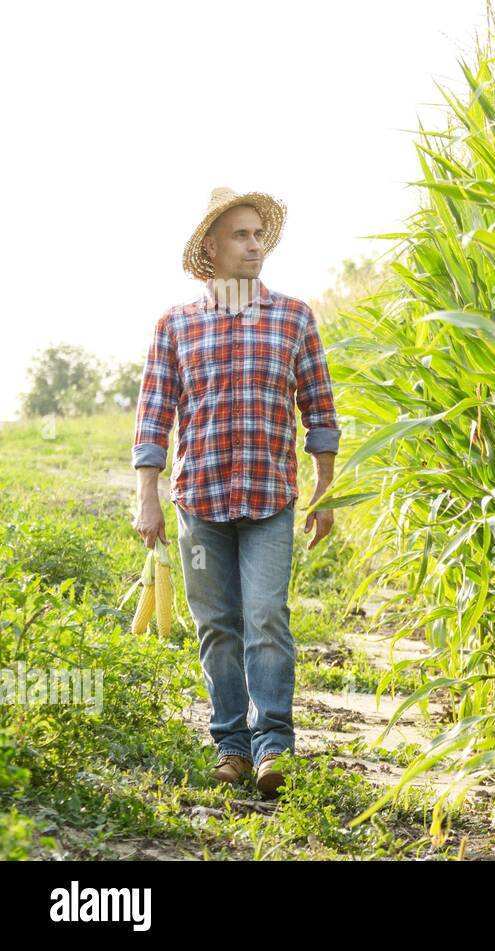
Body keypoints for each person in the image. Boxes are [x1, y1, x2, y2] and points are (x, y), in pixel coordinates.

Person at [131, 187, 340, 798]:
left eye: (259, 235)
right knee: (217, 625)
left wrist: (324, 487)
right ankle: (231, 745)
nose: (255, 246)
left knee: (266, 617)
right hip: (200, 505)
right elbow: (153, 418)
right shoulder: (176, 325)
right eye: (241, 236)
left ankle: (274, 742)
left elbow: (319, 409)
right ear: (211, 247)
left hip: (271, 500)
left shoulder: (294, 317)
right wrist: (148, 494)